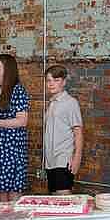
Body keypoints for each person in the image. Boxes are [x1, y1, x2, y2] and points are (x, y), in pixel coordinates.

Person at [0, 54, 30, 203]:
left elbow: (22, 121)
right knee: (0, 190)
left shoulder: (18, 91)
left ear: (7, 69)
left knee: (14, 190)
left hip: (12, 148)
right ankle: (4, 219)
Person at [43, 65, 83, 195]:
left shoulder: (70, 103)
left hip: (63, 158)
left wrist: (77, 158)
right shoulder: (52, 103)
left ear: (64, 81)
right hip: (50, 160)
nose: (51, 84)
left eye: (56, 80)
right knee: (54, 199)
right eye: (49, 80)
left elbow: (78, 133)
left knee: (63, 197)